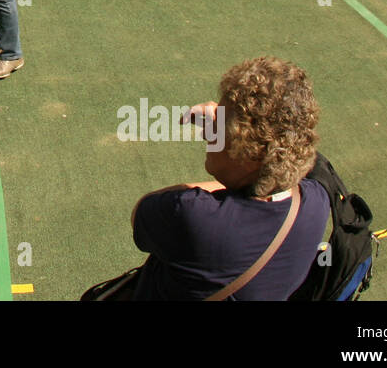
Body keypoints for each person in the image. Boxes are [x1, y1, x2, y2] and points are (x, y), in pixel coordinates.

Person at [129, 57, 330, 300]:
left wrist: (204, 187)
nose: (207, 132)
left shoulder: (195, 217)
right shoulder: (317, 200)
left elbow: (141, 213)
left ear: (250, 155)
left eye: (219, 127)